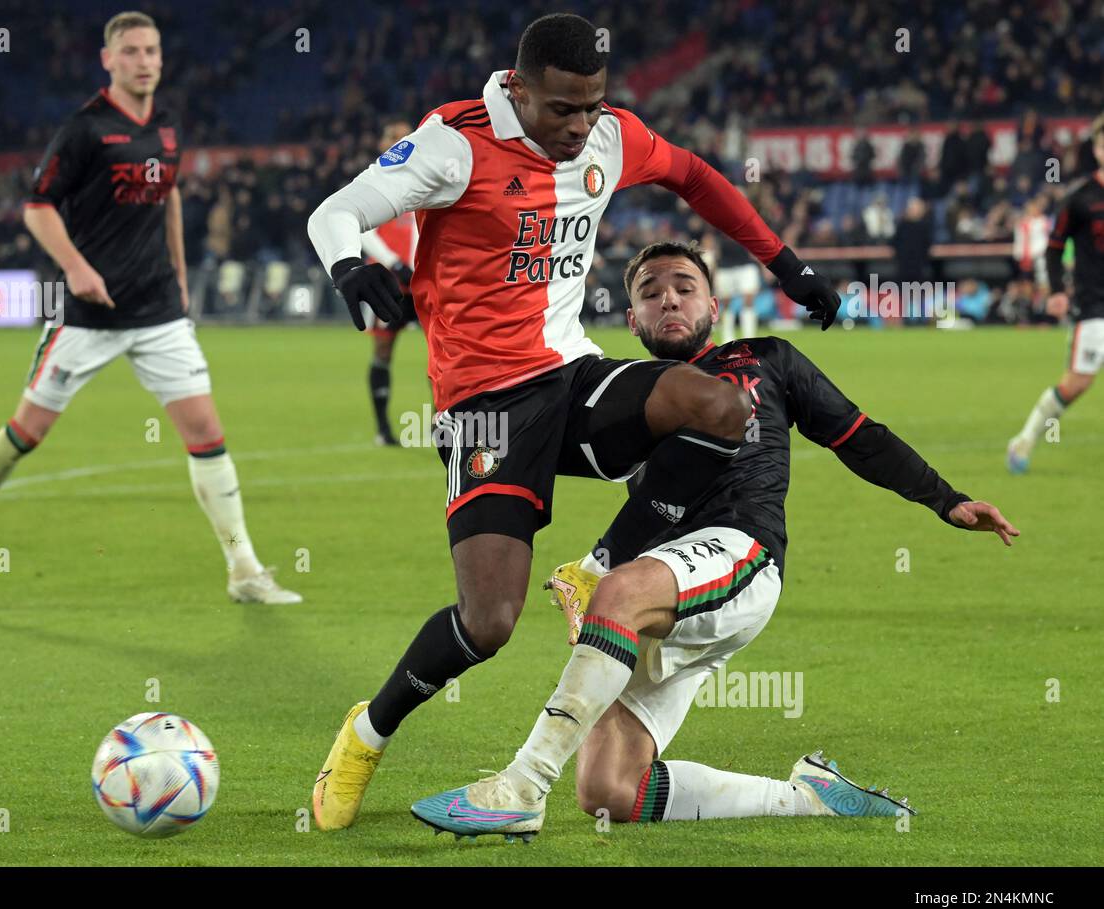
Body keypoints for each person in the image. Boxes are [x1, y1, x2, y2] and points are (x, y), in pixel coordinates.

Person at [305, 13, 841, 831]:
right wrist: (351, 268)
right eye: (563, 110)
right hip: (483, 408)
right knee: (487, 624)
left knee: (719, 406)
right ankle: (365, 734)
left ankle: (604, 565)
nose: (580, 128)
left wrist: (788, 266)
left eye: (593, 107)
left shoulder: (608, 138)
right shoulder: (453, 143)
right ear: (517, 88)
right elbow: (334, 212)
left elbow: (697, 177)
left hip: (569, 375)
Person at [411, 240, 1018, 839]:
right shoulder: (629, 395)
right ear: (632, 320)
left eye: (683, 287)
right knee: (610, 791)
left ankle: (520, 789)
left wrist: (945, 498)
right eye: (651, 294)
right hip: (670, 585)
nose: (668, 300)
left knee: (615, 592)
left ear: (714, 306)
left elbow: (857, 434)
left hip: (740, 552)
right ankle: (808, 798)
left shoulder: (768, 358)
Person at [0, 11, 300, 605]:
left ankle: (244, 569)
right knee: (27, 431)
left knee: (206, 433)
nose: (144, 61)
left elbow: (168, 196)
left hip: (157, 311)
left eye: (152, 51)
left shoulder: (168, 126)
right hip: (86, 315)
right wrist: (75, 267)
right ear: (109, 60)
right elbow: (37, 206)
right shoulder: (85, 130)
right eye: (131, 51)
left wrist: (179, 273)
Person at [1008, 112, 1104, 473]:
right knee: (1077, 383)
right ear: (1096, 150)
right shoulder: (1080, 198)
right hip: (1094, 307)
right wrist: (1057, 291)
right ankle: (1026, 439)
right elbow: (1052, 246)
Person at [359, 121, 423, 446]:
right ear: (382, 141)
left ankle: (446, 422)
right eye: (393, 136)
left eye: (404, 136)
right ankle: (383, 429)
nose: (399, 141)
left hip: (424, 282)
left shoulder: (425, 178)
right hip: (387, 281)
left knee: (444, 351)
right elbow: (363, 229)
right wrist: (394, 263)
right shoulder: (372, 182)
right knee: (383, 350)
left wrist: (416, 264)